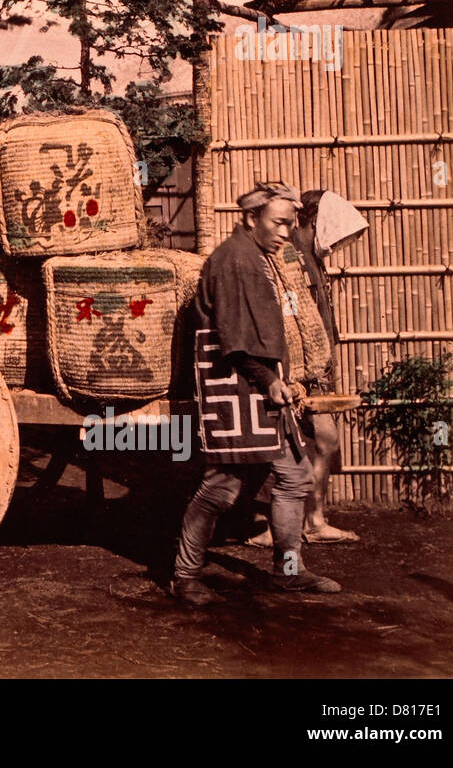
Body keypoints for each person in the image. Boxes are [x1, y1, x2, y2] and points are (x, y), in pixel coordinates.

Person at [170, 181, 341, 606]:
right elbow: (235, 339)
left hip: (260, 385)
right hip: (236, 386)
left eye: (290, 224)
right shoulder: (234, 263)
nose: (286, 233)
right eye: (278, 223)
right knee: (222, 488)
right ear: (250, 219)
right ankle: (184, 575)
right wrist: (270, 381)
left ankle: (288, 572)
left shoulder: (259, 259)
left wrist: (275, 379)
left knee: (294, 475)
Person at [246, 189, 368, 547]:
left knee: (324, 441)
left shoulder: (312, 258)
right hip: (292, 370)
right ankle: (276, 525)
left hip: (315, 369)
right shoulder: (288, 256)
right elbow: (285, 318)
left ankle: (314, 519)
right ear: (315, 222)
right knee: (286, 445)